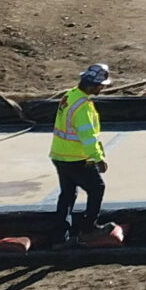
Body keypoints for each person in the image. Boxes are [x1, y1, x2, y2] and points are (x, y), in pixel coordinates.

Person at [50, 61, 112, 240]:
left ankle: (60, 237)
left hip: (59, 155)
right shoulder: (83, 107)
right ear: (93, 85)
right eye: (101, 86)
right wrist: (98, 159)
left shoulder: (70, 95)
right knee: (97, 188)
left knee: (68, 194)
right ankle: (89, 229)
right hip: (76, 158)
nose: (102, 89)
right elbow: (88, 137)